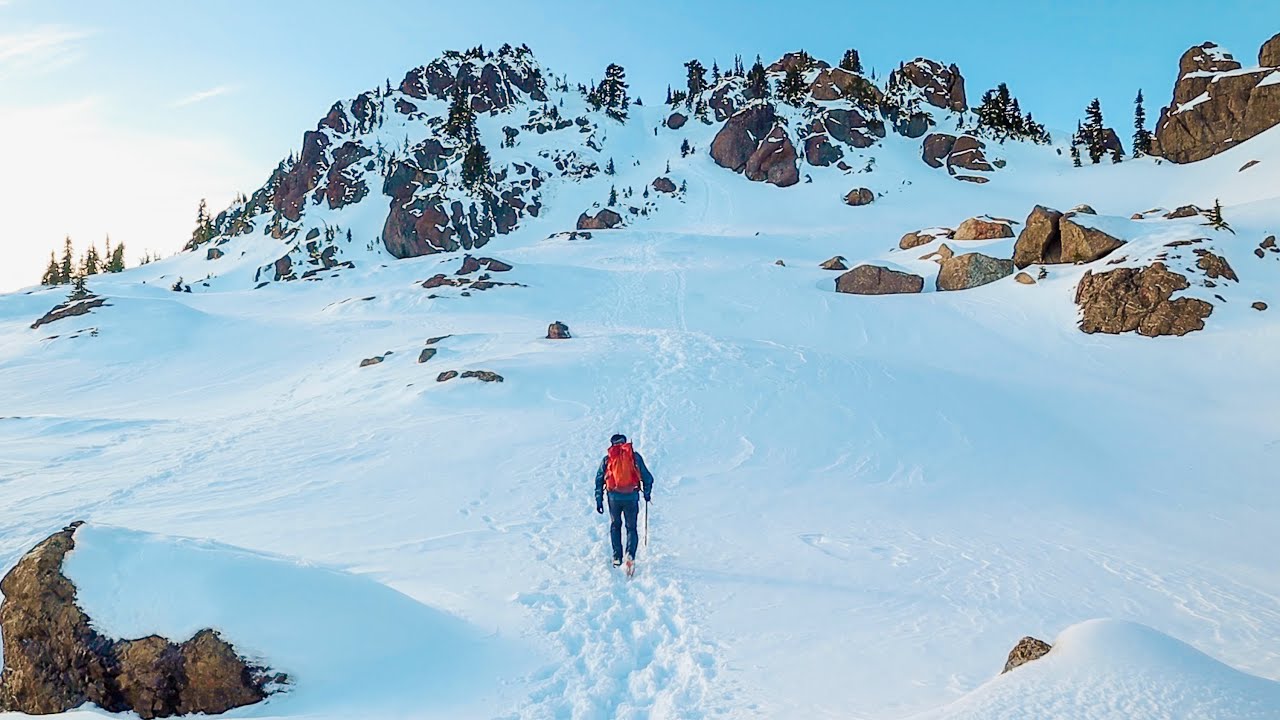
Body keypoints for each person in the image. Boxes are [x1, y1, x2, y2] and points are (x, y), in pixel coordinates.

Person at [594, 433, 654, 569]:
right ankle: (630, 555)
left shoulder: (607, 459)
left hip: (613, 498)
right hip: (631, 497)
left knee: (615, 525)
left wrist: (599, 499)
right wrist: (647, 493)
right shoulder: (634, 457)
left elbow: (599, 480)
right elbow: (647, 477)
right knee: (631, 527)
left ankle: (617, 557)